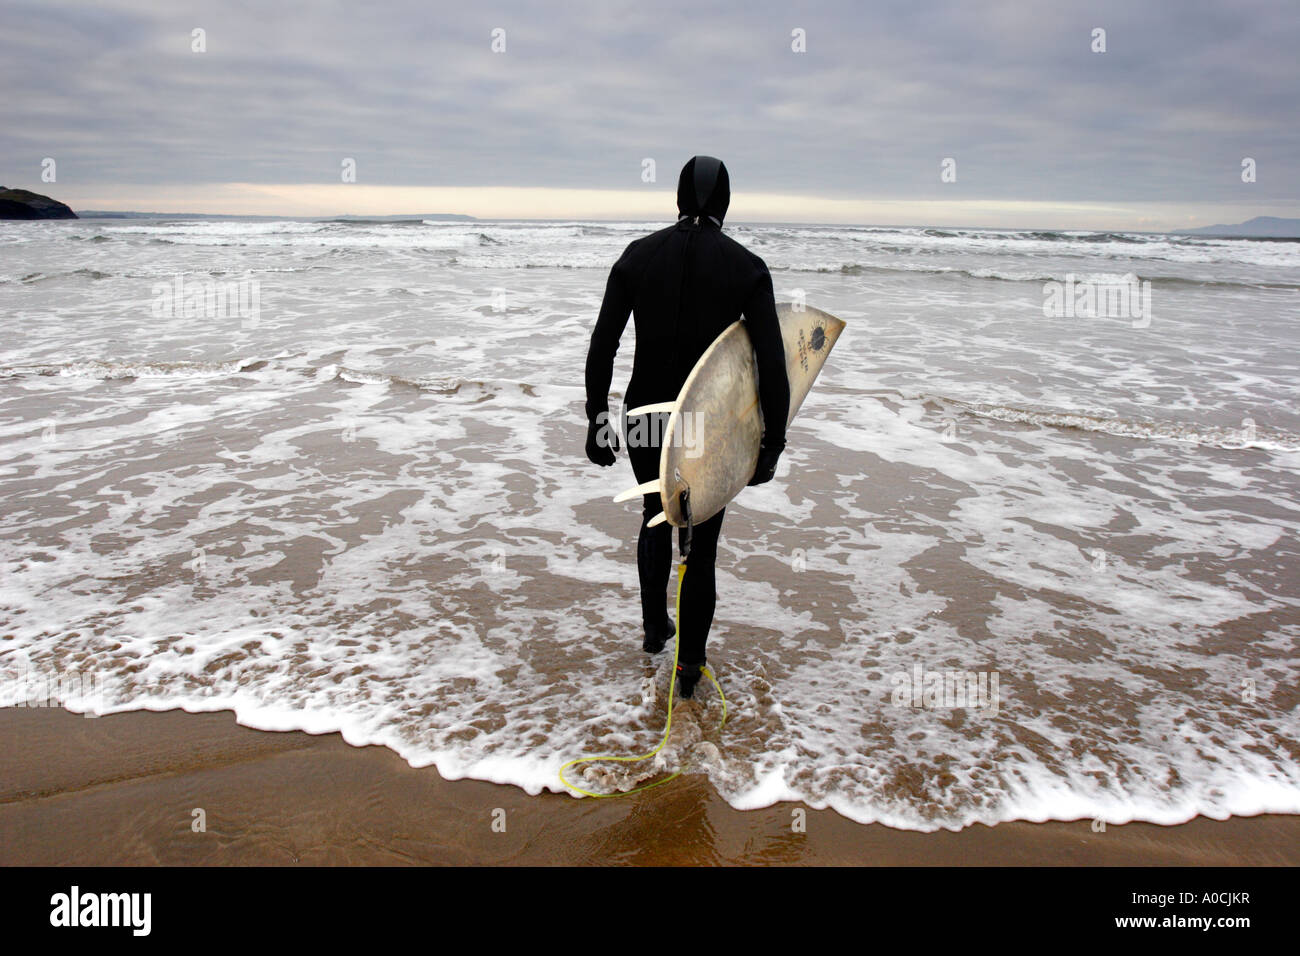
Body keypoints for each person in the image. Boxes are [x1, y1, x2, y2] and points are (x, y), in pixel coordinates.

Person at [583, 155, 790, 699]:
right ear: (724, 201)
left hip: (645, 418)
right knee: (703, 541)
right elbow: (771, 362)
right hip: (705, 424)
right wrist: (772, 444)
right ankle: (689, 667)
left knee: (655, 512)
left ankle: (655, 630)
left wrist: (595, 418)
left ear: (677, 196)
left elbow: (602, 344)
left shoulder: (637, 256)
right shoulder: (746, 269)